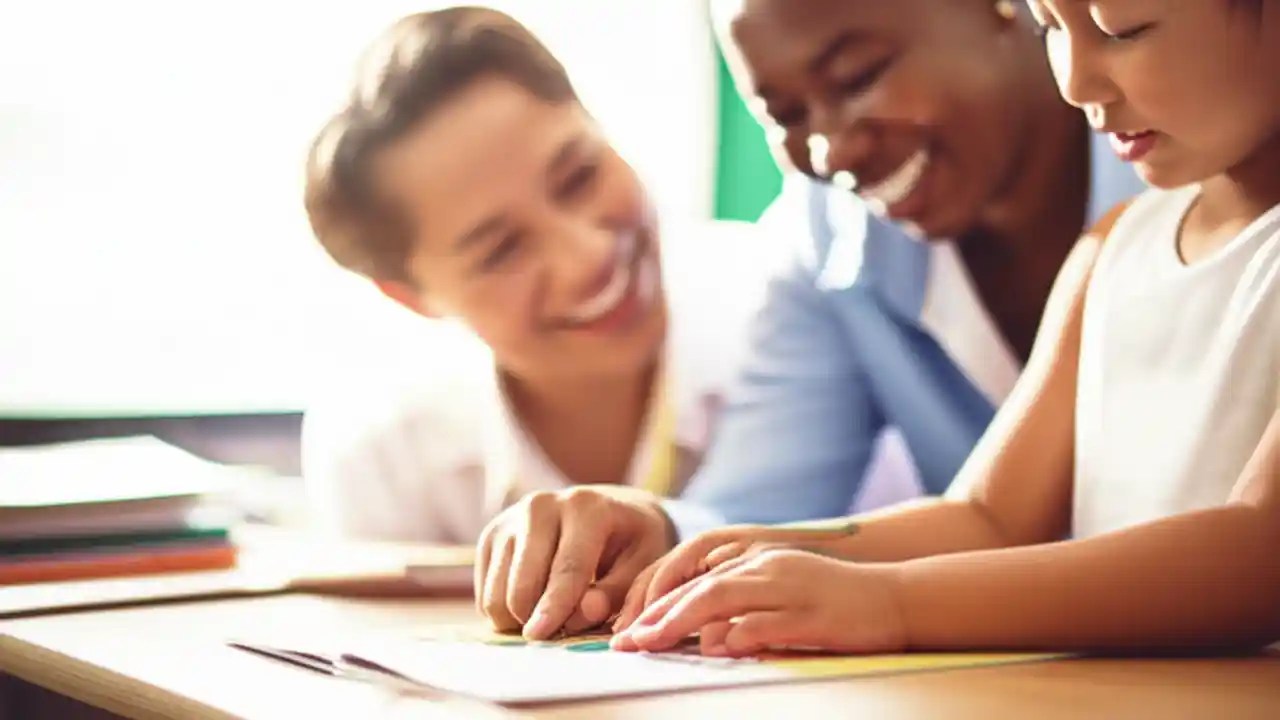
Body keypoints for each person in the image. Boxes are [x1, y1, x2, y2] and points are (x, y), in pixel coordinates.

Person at [612, 0, 1280, 657]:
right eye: (1051, 26)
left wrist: (892, 602)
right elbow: (991, 518)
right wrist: (770, 549)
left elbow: (1261, 555)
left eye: (1120, 29)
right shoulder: (1114, 248)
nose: (1075, 83)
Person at [477, 0, 1145, 640]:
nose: (831, 152)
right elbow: (762, 504)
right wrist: (656, 530)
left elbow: (1242, 549)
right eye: (785, 115)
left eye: (859, 77)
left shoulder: (1196, 179)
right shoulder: (830, 240)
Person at [301, 7, 775, 557]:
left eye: (580, 176)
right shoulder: (387, 454)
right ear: (412, 297)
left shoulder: (792, 312)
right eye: (502, 251)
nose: (587, 257)